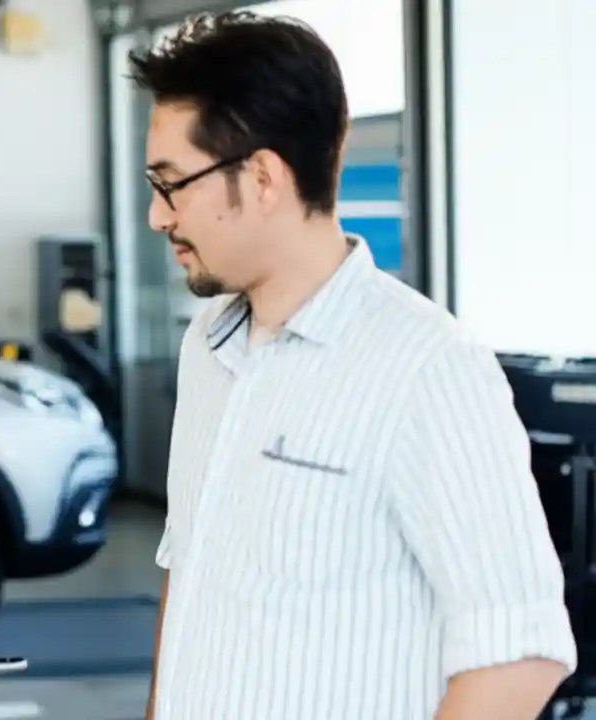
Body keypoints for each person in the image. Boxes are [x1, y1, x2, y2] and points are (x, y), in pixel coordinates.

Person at [132, 11, 576, 720]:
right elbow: (190, 578)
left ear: (264, 176)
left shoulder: (427, 367)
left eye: (172, 183)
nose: (158, 216)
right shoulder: (209, 347)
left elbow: (520, 653)